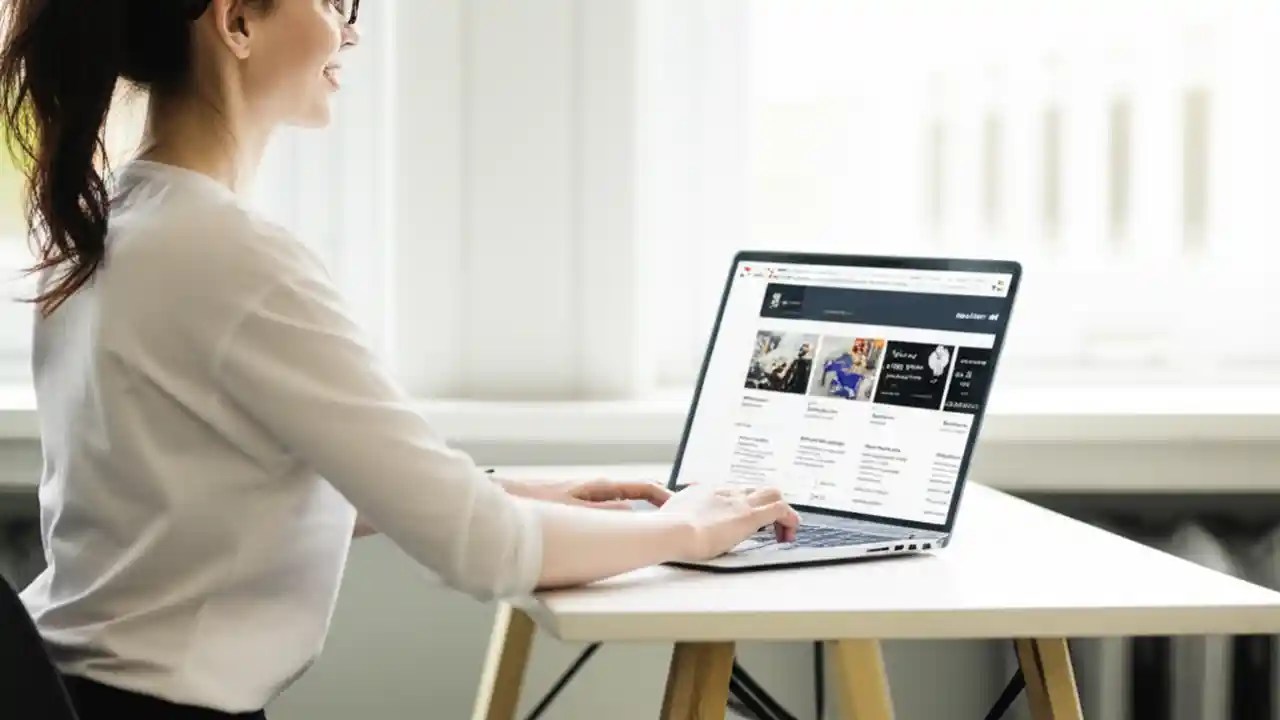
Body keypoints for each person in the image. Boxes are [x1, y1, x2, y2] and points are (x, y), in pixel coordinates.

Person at [0, 1, 800, 718]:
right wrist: (684, 529)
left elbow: (205, 497)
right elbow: (484, 550)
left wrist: (491, 492)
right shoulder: (230, 255)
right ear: (236, 22)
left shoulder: (112, 223)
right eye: (331, 3)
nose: (349, 32)